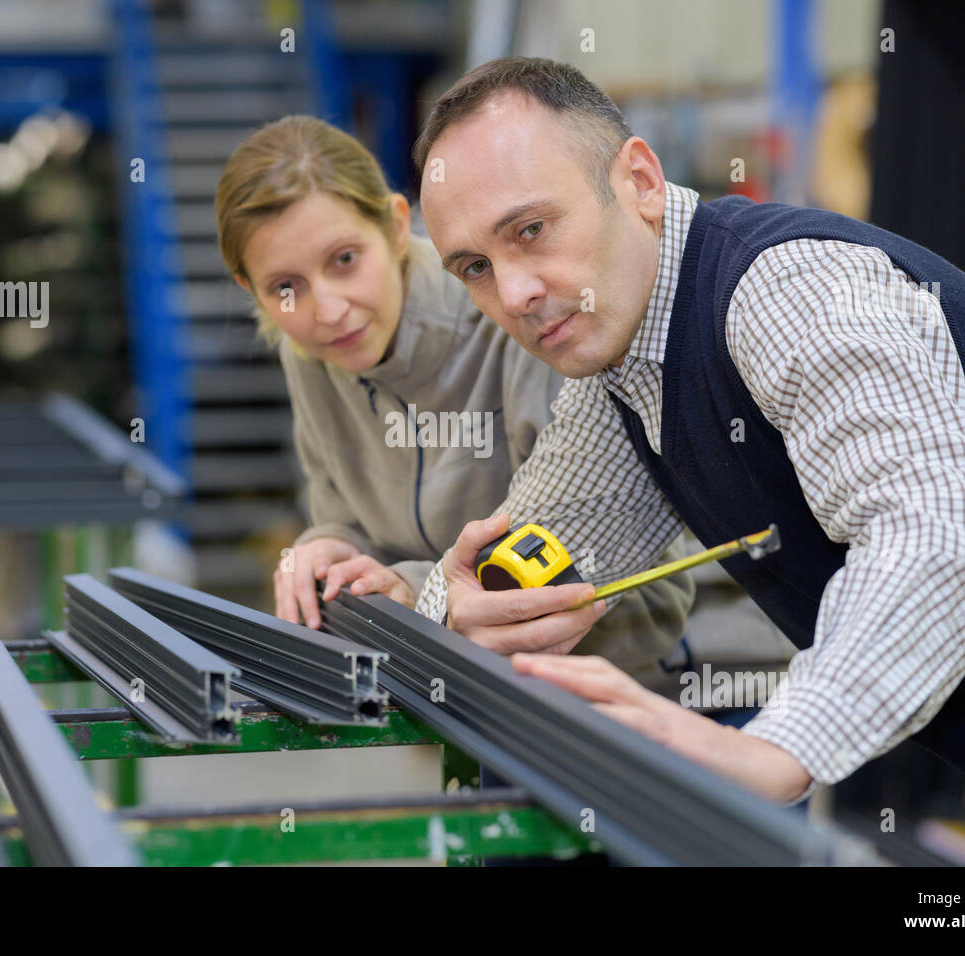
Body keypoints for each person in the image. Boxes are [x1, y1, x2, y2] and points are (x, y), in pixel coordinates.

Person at [385, 57, 965, 866]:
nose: (513, 293)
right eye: (474, 267)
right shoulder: (623, 369)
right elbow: (541, 547)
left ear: (641, 182)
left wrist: (772, 751)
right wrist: (429, 601)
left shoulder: (783, 290)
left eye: (531, 230)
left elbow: (940, 531)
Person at [213, 115, 696, 692]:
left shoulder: (521, 322)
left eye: (344, 260)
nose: (328, 309)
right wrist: (329, 547)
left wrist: (418, 590)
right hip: (470, 688)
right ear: (253, 290)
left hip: (640, 680)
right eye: (285, 287)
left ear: (395, 227)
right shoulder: (311, 352)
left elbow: (581, 554)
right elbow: (341, 511)